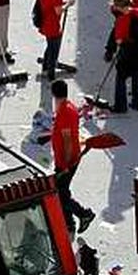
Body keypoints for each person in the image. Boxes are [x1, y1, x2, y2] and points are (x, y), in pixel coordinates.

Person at [51, 80, 95, 234]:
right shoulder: (69, 107)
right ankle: (69, 224)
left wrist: (66, 167)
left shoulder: (64, 113)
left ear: (54, 94)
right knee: (63, 192)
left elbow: (68, 141)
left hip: (66, 162)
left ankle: (84, 214)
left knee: (61, 194)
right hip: (68, 159)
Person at [104, 0, 138, 113]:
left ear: (119, 7)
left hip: (128, 53)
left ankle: (120, 106)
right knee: (137, 76)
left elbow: (119, 40)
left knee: (120, 78)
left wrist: (112, 50)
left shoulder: (122, 20)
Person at [36, 0, 75, 81]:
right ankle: (51, 75)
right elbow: (58, 10)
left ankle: (45, 69)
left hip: (45, 23)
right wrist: (68, 5)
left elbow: (53, 4)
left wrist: (64, 1)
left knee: (49, 47)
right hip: (53, 24)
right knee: (54, 50)